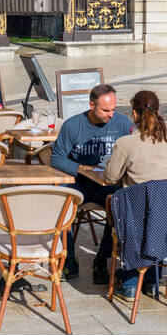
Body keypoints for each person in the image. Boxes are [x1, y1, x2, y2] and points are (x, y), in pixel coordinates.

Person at [102, 90, 167, 299]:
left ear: (135, 115)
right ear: (159, 111)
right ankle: (152, 281)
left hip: (135, 220)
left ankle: (130, 282)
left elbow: (110, 178)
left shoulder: (126, 143)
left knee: (129, 212)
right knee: (153, 215)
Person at [50, 84, 135, 284]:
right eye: (106, 110)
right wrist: (81, 169)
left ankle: (103, 258)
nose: (111, 115)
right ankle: (69, 258)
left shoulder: (123, 123)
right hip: (80, 183)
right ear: (91, 105)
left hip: (108, 183)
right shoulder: (73, 125)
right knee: (61, 202)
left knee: (120, 203)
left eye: (113, 109)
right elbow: (57, 158)